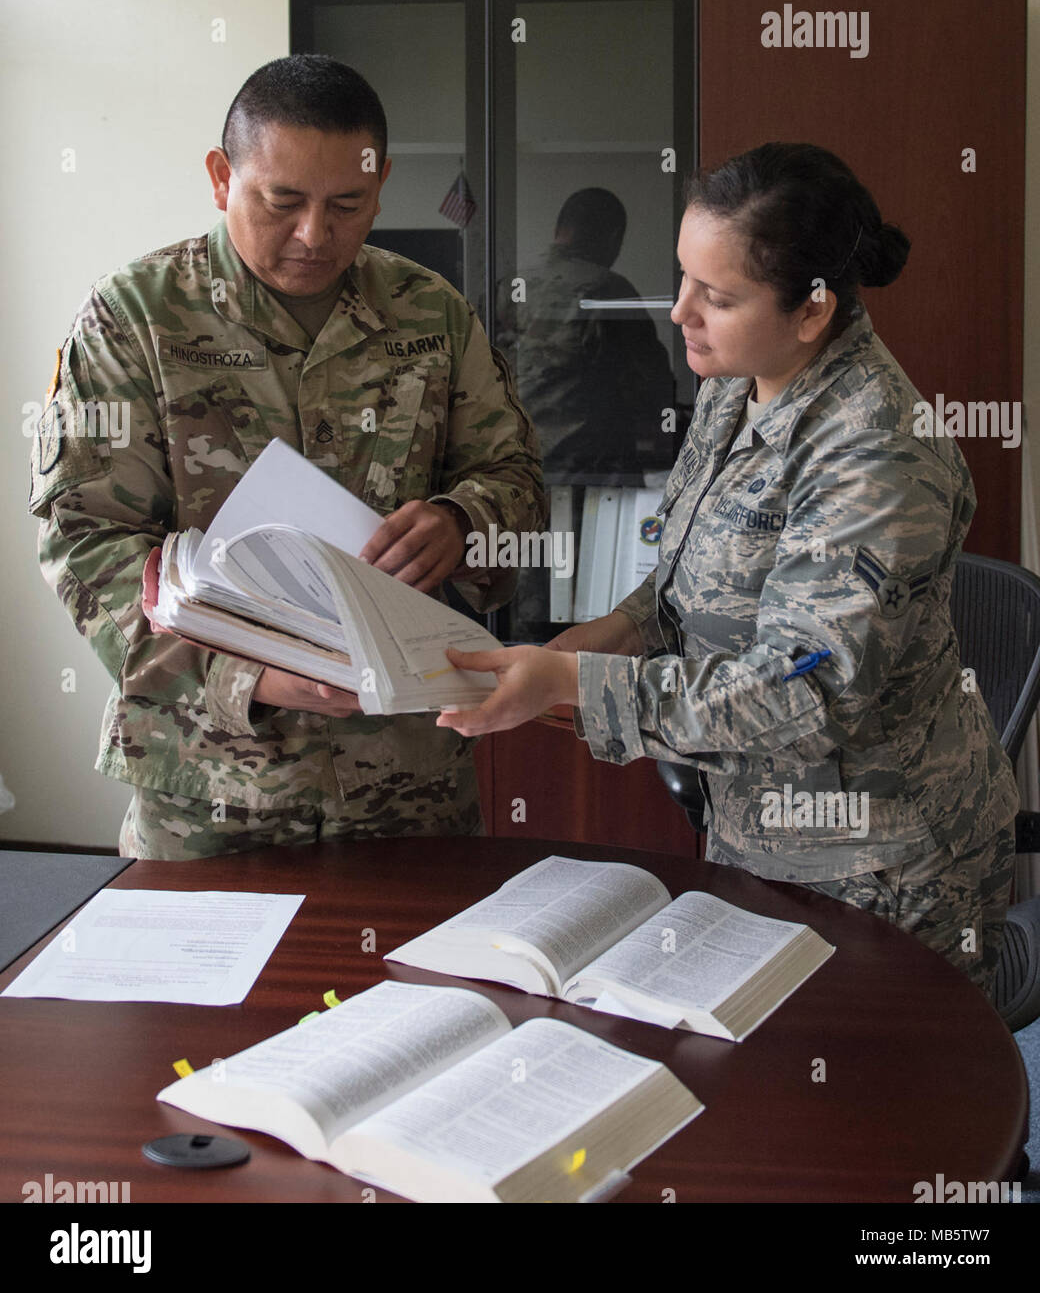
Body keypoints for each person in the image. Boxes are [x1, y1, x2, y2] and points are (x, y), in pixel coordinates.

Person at [438, 142, 1020, 1000]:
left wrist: (574, 683)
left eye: (717, 296)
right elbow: (692, 573)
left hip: (880, 861)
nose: (680, 314)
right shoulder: (737, 381)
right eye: (682, 279)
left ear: (812, 309)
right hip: (756, 827)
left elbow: (804, 692)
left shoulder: (874, 454)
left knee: (874, 1110)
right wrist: (615, 633)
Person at [30, 54, 545, 859]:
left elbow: (515, 485)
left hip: (408, 785)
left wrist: (461, 520)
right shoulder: (136, 317)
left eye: (347, 205)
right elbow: (86, 543)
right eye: (283, 202)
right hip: (212, 794)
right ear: (220, 176)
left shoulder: (430, 312)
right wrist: (244, 676)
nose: (314, 234)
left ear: (381, 186)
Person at [495, 187, 675, 485]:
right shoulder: (608, 290)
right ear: (614, 238)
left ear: (557, 230)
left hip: (513, 470)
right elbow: (653, 386)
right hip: (590, 474)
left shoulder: (508, 286)